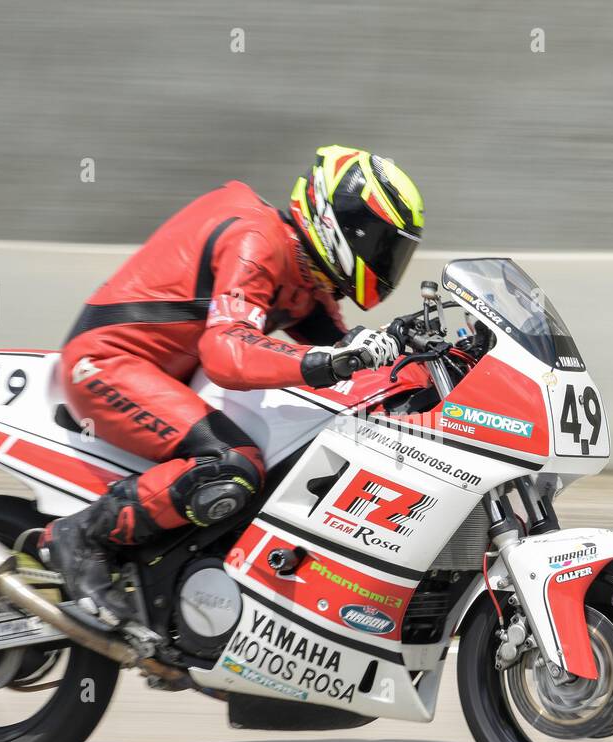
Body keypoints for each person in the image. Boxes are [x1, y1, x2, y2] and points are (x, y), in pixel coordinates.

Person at [39, 145, 425, 628]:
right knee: (232, 465)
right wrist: (330, 361)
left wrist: (419, 360)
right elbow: (227, 351)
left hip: (164, 374)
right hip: (107, 364)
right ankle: (80, 537)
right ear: (341, 224)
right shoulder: (257, 239)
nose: (386, 260)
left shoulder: (306, 272)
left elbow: (348, 354)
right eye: (382, 244)